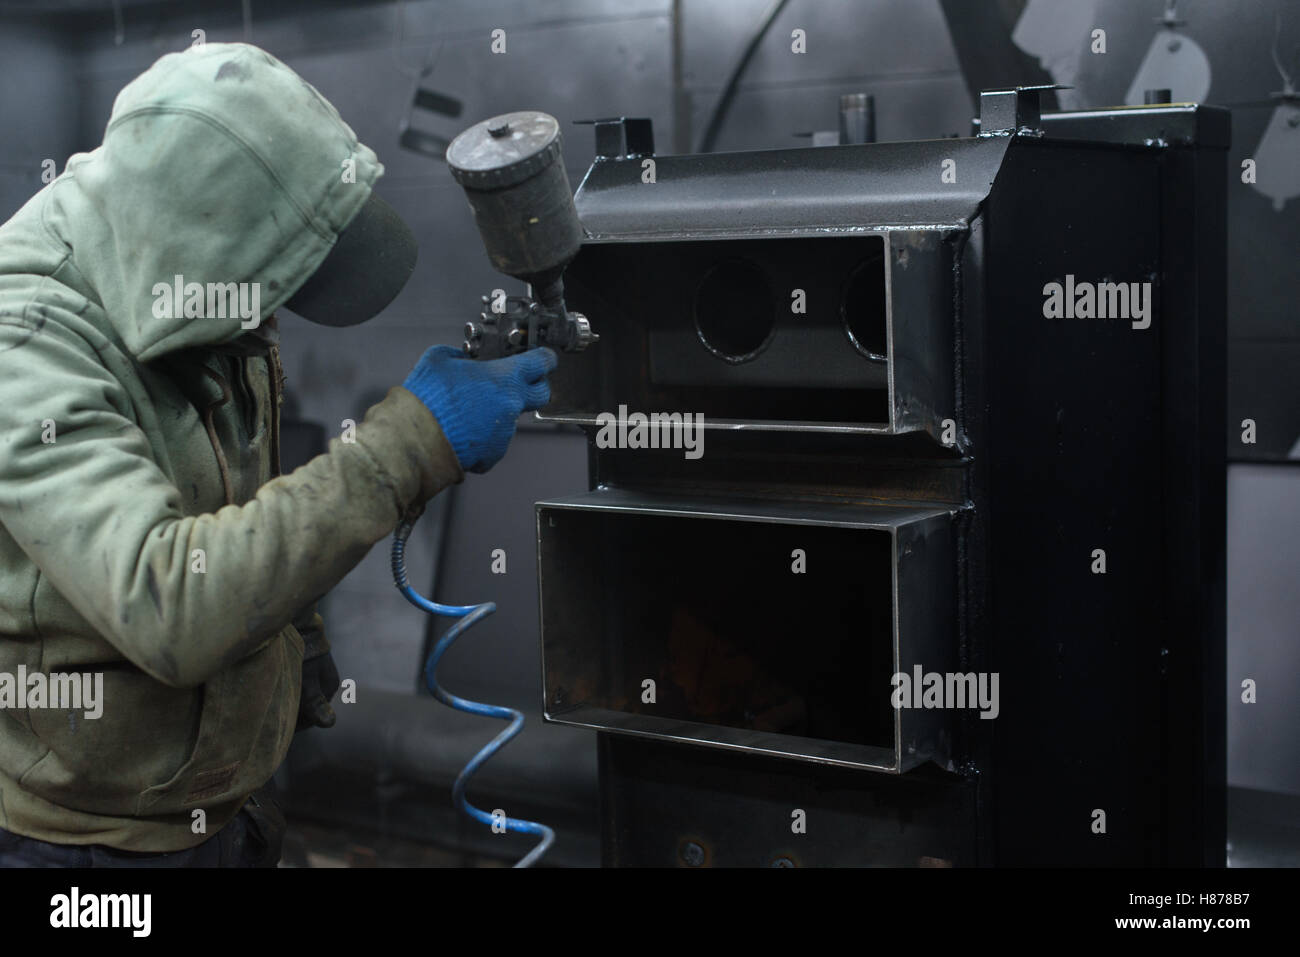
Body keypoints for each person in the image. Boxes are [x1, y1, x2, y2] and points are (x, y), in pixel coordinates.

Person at [0, 42, 555, 866]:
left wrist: (300, 640)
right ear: (192, 244)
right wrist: (406, 447)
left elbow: (233, 495)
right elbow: (168, 604)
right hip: (83, 845)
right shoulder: (27, 341)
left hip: (226, 802)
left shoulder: (204, 286)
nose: (268, 317)